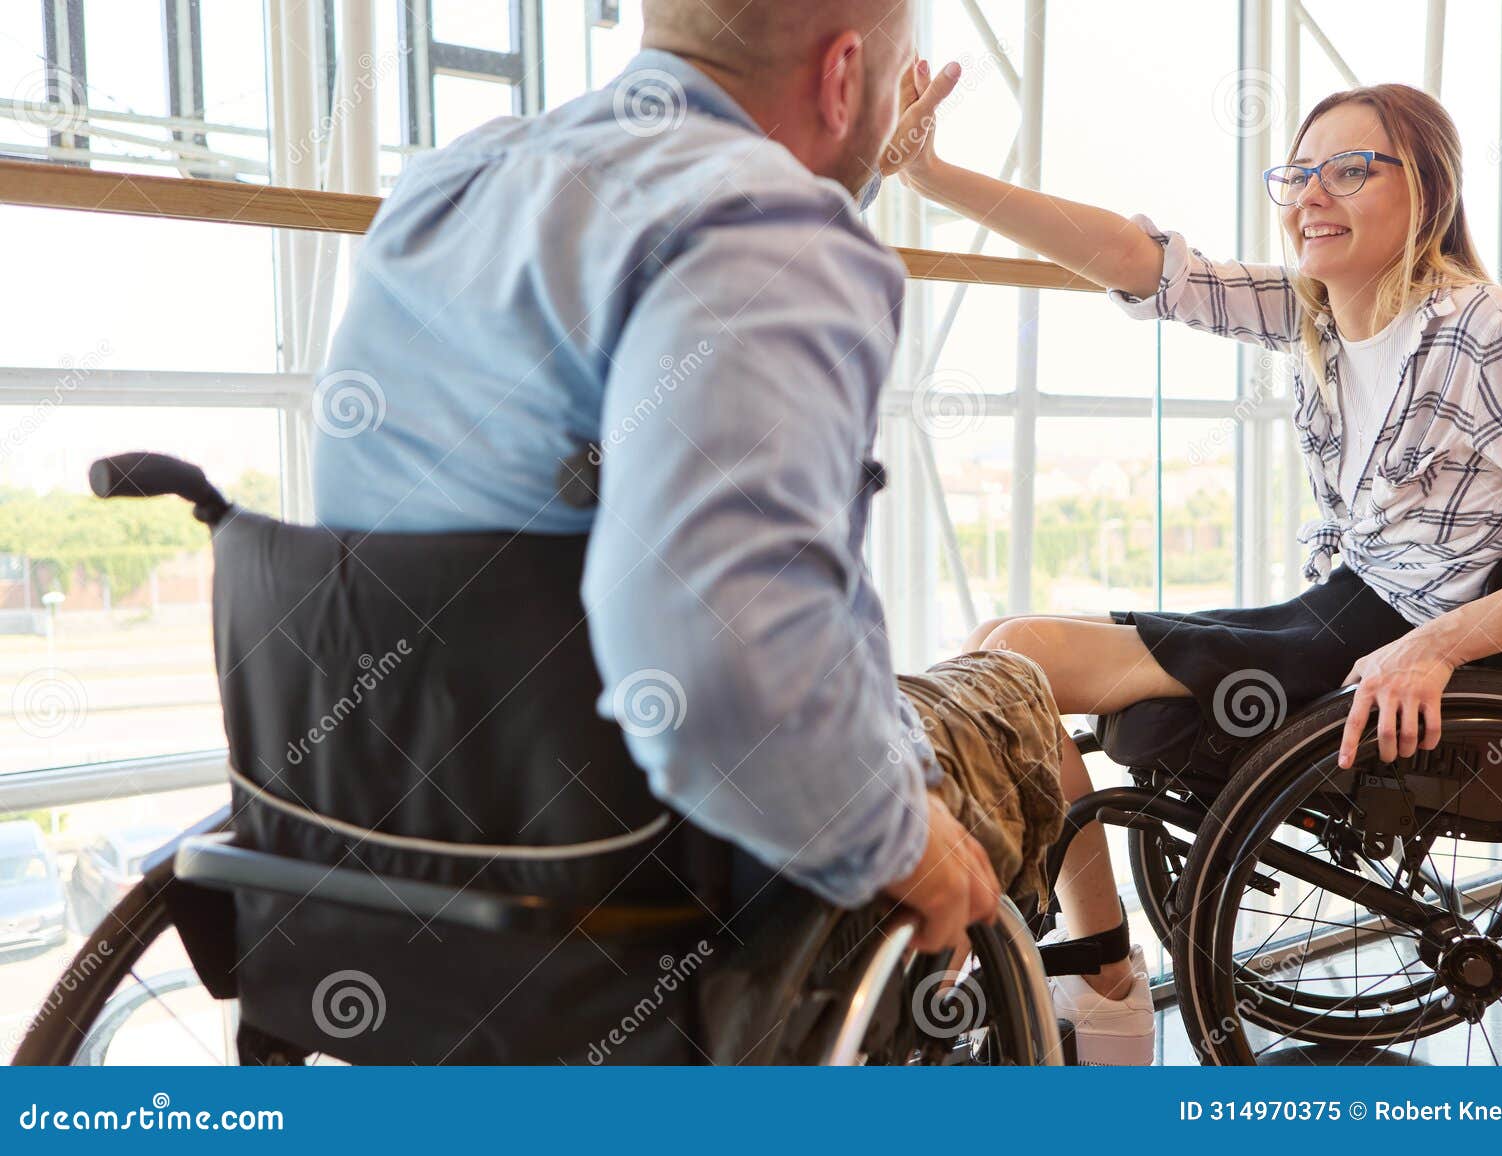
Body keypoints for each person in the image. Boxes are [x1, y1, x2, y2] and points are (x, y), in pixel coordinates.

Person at [312, 1, 1151, 1062]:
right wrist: (892, 834)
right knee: (1012, 687)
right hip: (631, 833)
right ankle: (1111, 1004)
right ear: (843, 75)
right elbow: (714, 670)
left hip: (394, 797)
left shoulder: (455, 178)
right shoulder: (770, 229)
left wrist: (855, 159)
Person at [895, 69, 1502, 1026]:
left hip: (1407, 633)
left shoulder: (1494, 335)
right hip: (1340, 605)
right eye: (1299, 174)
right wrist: (935, 177)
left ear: (1429, 189)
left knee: (1018, 655)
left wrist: (1437, 648)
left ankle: (1100, 983)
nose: (1312, 196)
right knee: (1000, 646)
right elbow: (1140, 262)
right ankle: (1081, 960)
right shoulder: (1318, 310)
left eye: (1351, 170)